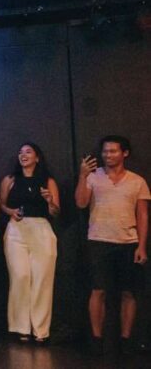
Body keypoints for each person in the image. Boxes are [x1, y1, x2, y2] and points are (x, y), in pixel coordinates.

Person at [75, 135, 149, 355]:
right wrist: (83, 175)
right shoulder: (93, 176)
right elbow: (81, 202)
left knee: (128, 292)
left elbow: (143, 215)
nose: (108, 155)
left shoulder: (137, 181)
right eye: (105, 151)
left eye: (113, 151)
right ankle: (97, 340)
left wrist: (142, 246)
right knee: (98, 290)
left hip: (128, 242)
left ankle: (126, 340)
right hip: (99, 240)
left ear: (124, 153)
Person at [0, 142, 59, 343]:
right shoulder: (10, 179)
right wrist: (11, 211)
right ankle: (21, 327)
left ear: (37, 157)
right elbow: (2, 204)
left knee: (42, 279)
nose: (23, 155)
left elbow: (55, 212)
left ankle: (40, 330)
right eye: (20, 152)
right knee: (20, 276)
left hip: (41, 228)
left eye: (28, 152)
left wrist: (50, 201)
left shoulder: (47, 181)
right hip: (17, 229)